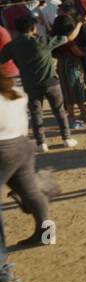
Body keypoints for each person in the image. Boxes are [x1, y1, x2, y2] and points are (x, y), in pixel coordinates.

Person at [0, 14, 81, 152]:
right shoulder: (43, 41)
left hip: (30, 83)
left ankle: (41, 142)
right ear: (33, 28)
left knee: (36, 113)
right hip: (50, 81)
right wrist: (79, 24)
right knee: (59, 111)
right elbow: (70, 37)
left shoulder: (13, 46)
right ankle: (66, 138)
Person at [0, 72, 52, 247]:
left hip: (3, 149)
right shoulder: (17, 92)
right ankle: (46, 235)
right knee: (32, 193)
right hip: (23, 145)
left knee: (31, 194)